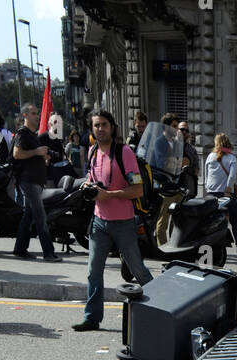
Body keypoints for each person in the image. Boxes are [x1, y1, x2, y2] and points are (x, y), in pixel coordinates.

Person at [72, 108, 152, 332]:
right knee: (93, 272)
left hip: (124, 222)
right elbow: (92, 178)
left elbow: (136, 190)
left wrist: (110, 195)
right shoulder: (92, 152)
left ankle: (163, 308)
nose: (100, 129)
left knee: (138, 270)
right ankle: (92, 318)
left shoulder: (124, 152)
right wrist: (88, 186)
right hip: (99, 221)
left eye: (104, 125)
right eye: (96, 125)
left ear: (112, 127)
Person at [11, 103, 61, 262]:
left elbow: (32, 155)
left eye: (37, 113)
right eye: (33, 113)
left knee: (29, 216)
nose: (37, 115)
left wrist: (41, 157)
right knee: (40, 217)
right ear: (25, 116)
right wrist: (37, 152)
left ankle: (20, 249)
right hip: (29, 181)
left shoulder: (33, 135)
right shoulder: (22, 133)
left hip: (37, 181)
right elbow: (17, 154)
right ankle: (48, 253)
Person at [204, 133, 237, 257]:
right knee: (235, 222)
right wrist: (228, 190)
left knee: (210, 222)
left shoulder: (210, 156)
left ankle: (208, 247)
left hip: (211, 194)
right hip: (226, 194)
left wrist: (208, 190)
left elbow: (206, 176)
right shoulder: (231, 158)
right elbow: (232, 176)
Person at [177, 122, 199, 197]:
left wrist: (189, 169)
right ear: (177, 130)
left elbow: (196, 169)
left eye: (186, 131)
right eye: (182, 129)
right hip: (173, 187)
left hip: (188, 188)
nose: (184, 132)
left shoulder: (192, 150)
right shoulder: (171, 146)